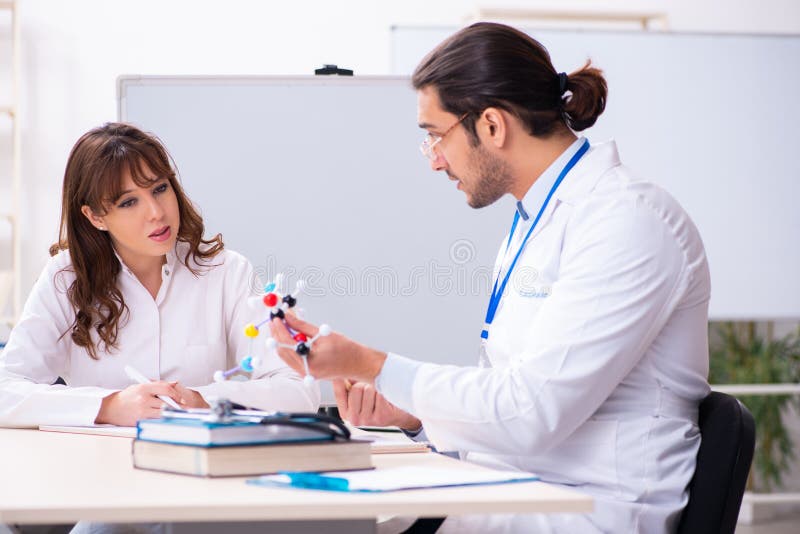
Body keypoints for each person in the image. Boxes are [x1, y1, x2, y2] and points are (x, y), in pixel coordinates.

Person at [270, 22, 711, 534]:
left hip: (589, 513)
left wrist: (370, 364)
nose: (434, 160)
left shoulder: (628, 222)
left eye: (436, 136)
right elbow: (510, 394)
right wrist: (413, 415)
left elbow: (531, 413)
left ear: (493, 126)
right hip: (523, 487)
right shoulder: (538, 217)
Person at [0, 122, 319, 428]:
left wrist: (201, 400)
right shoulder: (67, 277)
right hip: (96, 469)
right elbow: (6, 391)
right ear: (95, 216)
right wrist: (108, 407)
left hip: (197, 468)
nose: (156, 212)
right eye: (129, 202)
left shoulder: (226, 272)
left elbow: (300, 390)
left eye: (160, 188)